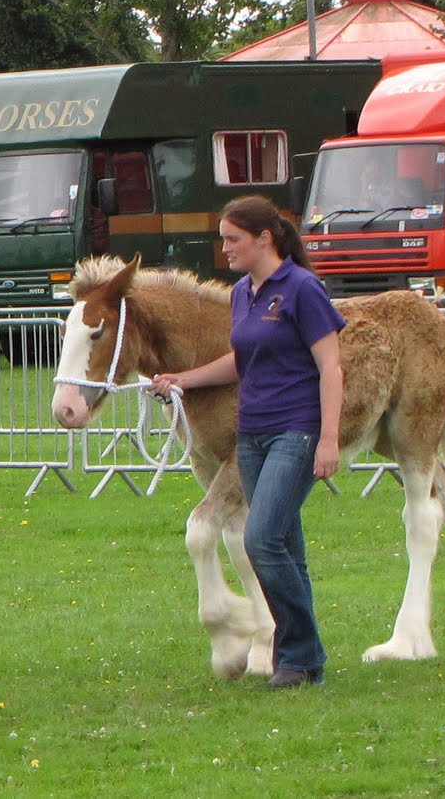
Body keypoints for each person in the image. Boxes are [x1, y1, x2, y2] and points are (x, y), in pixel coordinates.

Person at [150, 195, 344, 691]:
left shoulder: (302, 289)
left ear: (265, 238)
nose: (225, 248)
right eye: (222, 238)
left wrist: (327, 439)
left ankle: (296, 652)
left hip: (295, 430)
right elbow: (241, 360)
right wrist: (184, 379)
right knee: (287, 547)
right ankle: (307, 659)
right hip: (251, 434)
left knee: (262, 540)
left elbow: (330, 367)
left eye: (233, 239)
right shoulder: (242, 293)